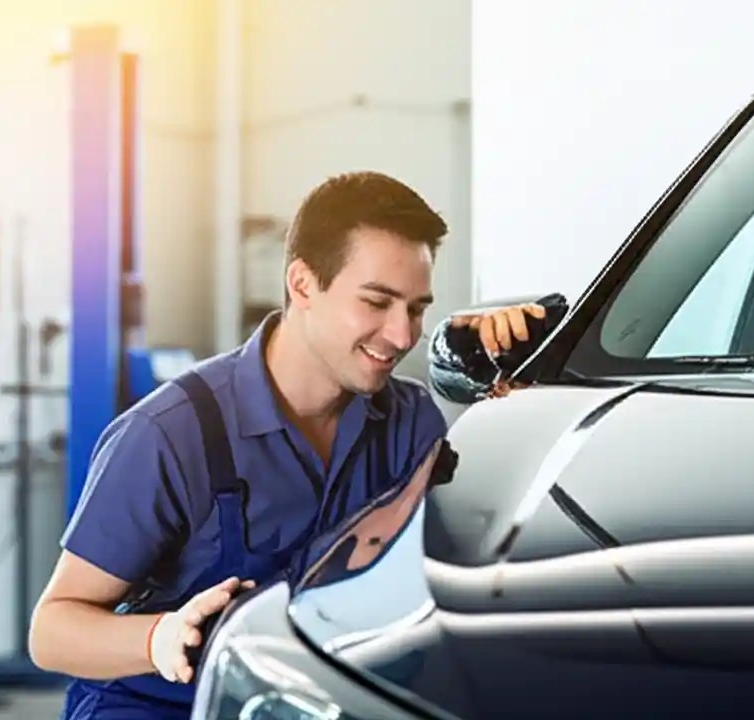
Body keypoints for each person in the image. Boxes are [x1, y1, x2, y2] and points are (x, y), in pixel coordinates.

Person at [28, 171, 539, 718]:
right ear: (302, 284)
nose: (401, 335)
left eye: (415, 308)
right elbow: (52, 630)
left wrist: (519, 374)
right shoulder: (170, 434)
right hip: (161, 705)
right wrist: (158, 638)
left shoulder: (409, 423)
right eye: (376, 302)